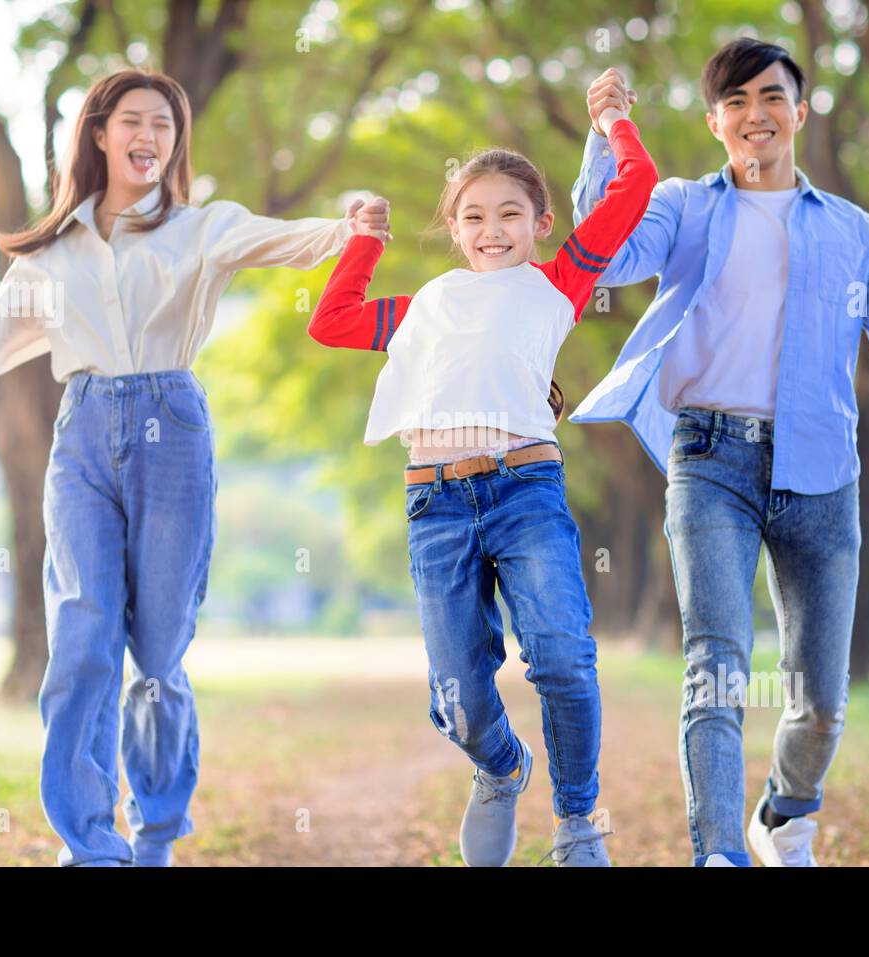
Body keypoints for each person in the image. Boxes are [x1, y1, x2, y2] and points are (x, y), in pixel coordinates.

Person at [0, 68, 386, 867]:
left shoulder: (204, 228)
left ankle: (157, 826)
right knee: (85, 637)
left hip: (175, 432)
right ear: (99, 133)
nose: (150, 137)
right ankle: (92, 844)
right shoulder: (52, 258)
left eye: (165, 125)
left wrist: (354, 218)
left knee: (157, 657)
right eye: (134, 120)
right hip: (85, 437)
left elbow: (303, 236)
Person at [570, 46, 869, 866]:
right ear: (715, 122)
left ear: (801, 111)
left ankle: (785, 814)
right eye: (735, 100)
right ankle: (720, 852)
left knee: (820, 699)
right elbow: (604, 255)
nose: (754, 111)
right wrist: (604, 136)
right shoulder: (684, 207)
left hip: (822, 470)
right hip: (708, 457)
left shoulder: (854, 234)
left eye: (772, 96)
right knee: (716, 663)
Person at [306, 93, 658, 866]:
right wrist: (365, 239)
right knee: (458, 696)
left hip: (525, 489)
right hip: (435, 503)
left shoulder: (559, 282)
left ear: (541, 225)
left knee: (562, 656)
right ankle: (500, 768)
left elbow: (635, 185)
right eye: (472, 216)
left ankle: (574, 824)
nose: (490, 230)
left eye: (509, 214)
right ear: (455, 228)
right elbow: (332, 321)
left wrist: (610, 122)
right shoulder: (430, 306)